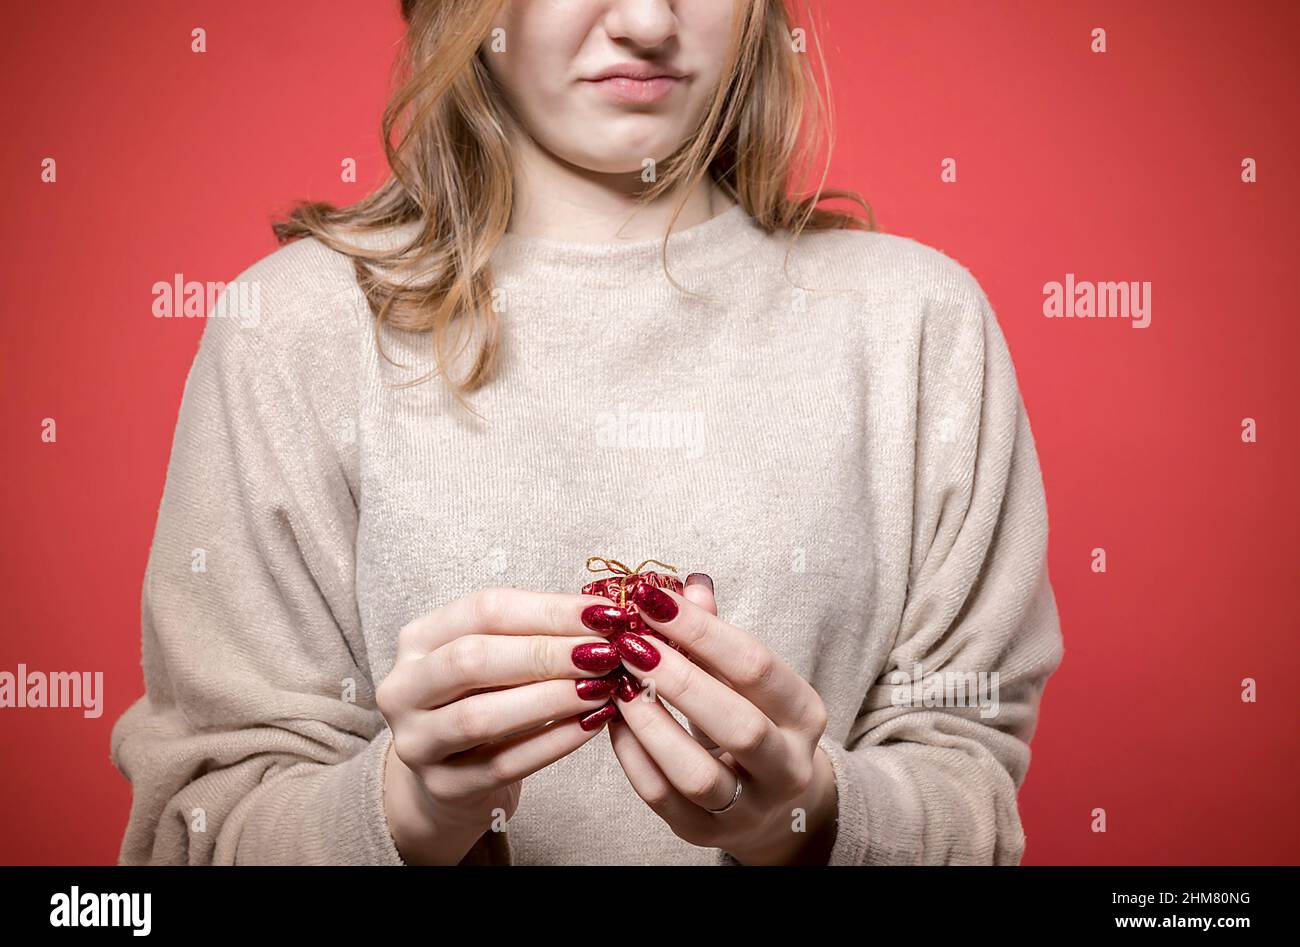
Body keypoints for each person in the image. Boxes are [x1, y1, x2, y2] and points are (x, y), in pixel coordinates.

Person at [111, 0, 1064, 866]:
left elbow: (966, 788)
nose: (648, 21)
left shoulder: (918, 323)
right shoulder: (295, 330)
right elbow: (191, 836)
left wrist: (810, 816)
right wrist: (407, 811)